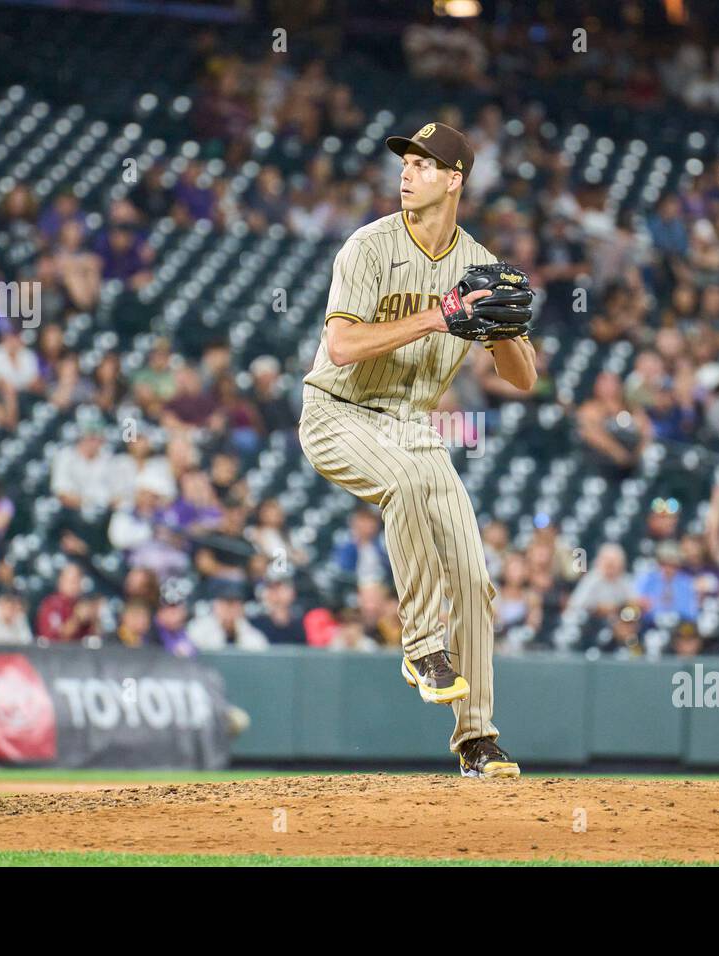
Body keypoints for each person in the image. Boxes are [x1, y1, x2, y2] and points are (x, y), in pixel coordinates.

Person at [297, 122, 537, 778]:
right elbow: (342, 347)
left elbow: (525, 379)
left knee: (474, 580)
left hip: (412, 426)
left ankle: (477, 739)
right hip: (336, 412)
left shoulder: (479, 267)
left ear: (455, 180)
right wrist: (438, 317)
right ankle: (424, 645)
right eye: (405, 160)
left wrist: (506, 332)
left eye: (425, 163)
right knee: (402, 483)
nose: (407, 171)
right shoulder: (368, 247)